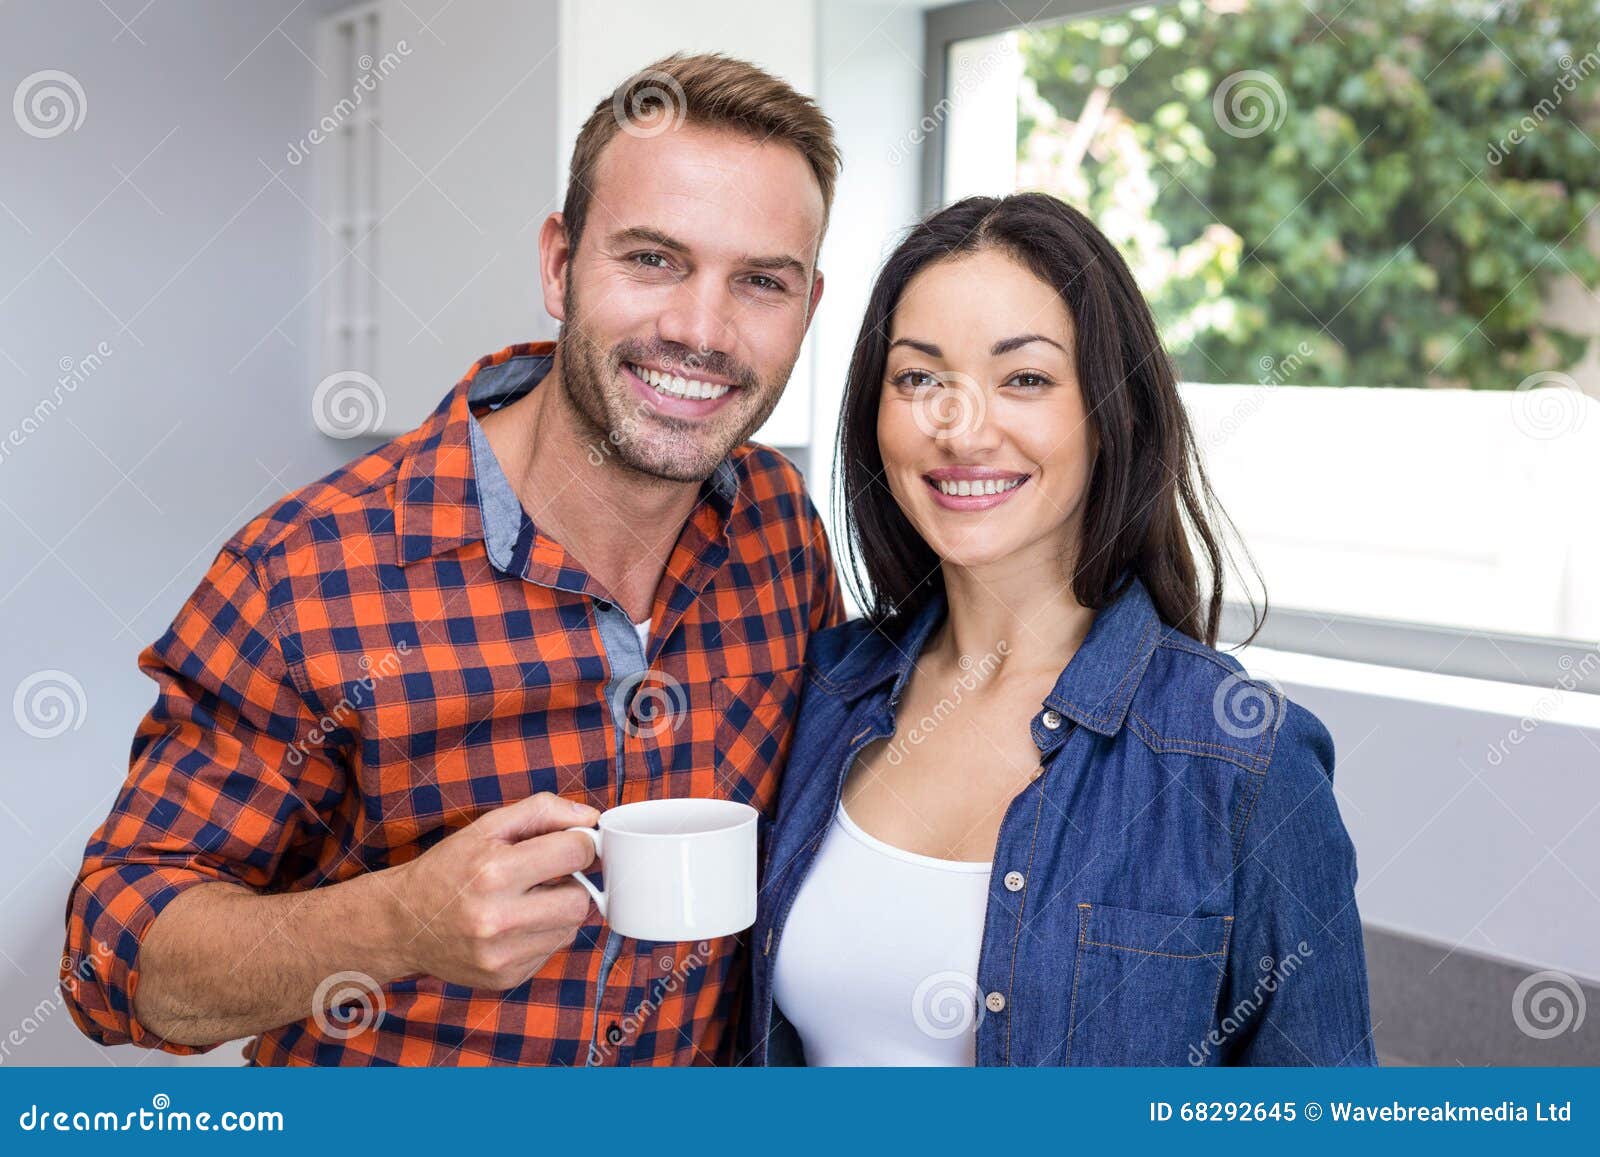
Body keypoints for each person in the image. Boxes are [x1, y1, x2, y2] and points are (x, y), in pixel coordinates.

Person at [60, 53, 843, 1067]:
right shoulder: (306, 571)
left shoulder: (781, 531)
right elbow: (109, 959)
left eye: (759, 283)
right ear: (560, 265)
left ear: (809, 306)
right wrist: (399, 923)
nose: (700, 328)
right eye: (651, 259)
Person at [746, 193, 1377, 1067]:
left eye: (1026, 379)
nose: (960, 428)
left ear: (1112, 416)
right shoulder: (823, 691)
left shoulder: (1242, 760)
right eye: (919, 376)